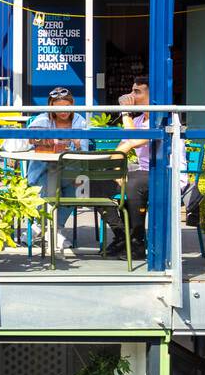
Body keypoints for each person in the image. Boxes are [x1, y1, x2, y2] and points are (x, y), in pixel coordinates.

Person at [25, 87, 90, 253]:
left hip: (71, 170)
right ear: (51, 107)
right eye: (58, 108)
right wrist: (53, 141)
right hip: (43, 170)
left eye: (66, 107)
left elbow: (84, 147)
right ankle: (47, 228)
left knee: (80, 187)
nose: (63, 112)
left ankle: (52, 228)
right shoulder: (42, 119)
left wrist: (75, 143)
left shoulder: (79, 121)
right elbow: (33, 137)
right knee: (48, 182)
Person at [97, 77, 152, 258]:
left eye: (137, 92)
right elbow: (119, 151)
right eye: (131, 90)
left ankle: (137, 242)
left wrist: (126, 113)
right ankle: (121, 235)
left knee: (133, 183)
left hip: (163, 172)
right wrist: (114, 171)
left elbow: (133, 141)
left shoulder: (160, 120)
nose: (131, 96)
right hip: (142, 172)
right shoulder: (137, 122)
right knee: (96, 180)